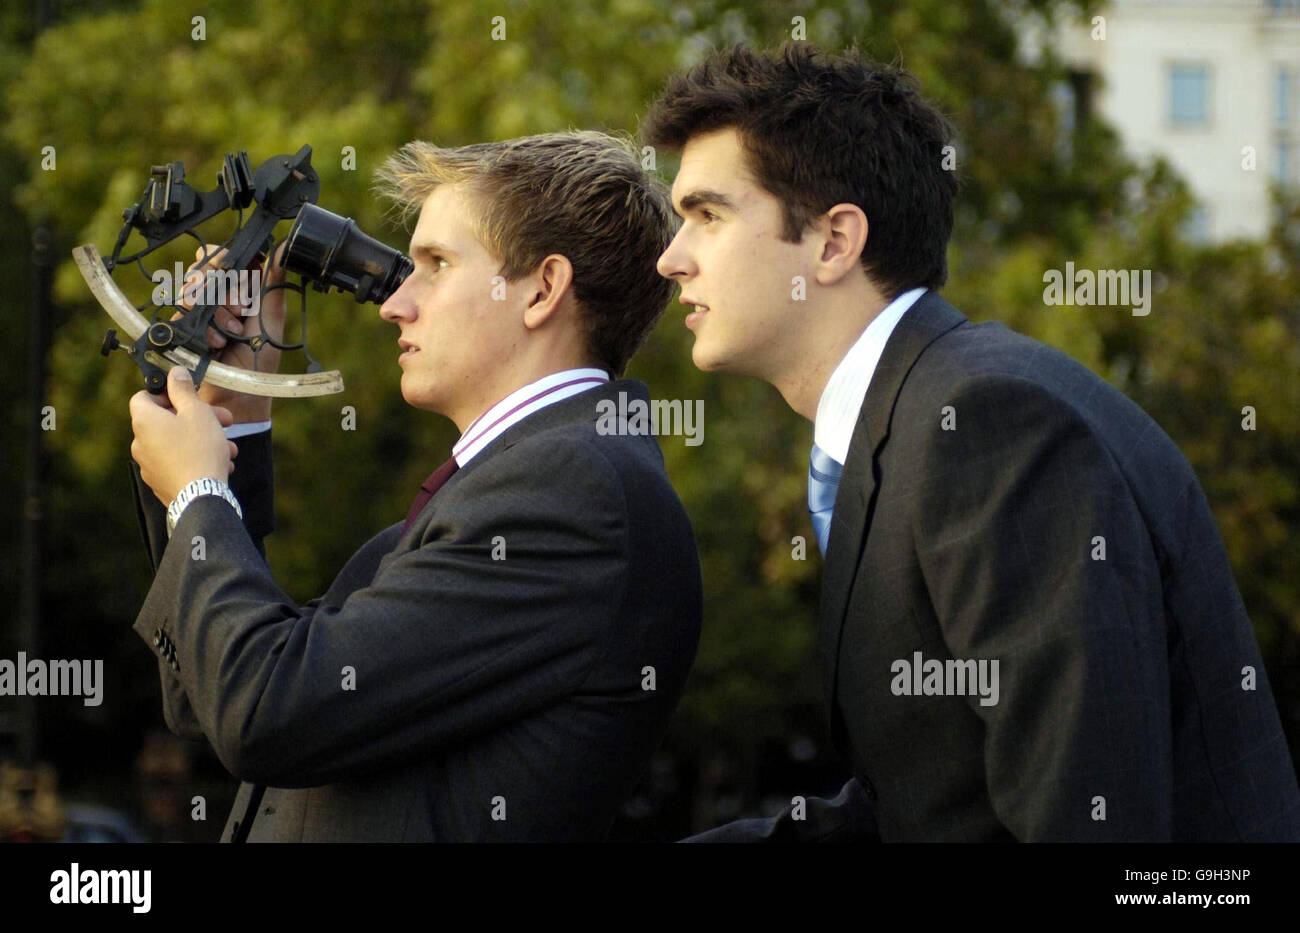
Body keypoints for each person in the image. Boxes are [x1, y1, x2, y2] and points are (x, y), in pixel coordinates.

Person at [643, 43, 1300, 841]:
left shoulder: (990, 425)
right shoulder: (913, 420)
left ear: (832, 242)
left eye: (706, 215)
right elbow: (932, 801)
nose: (670, 259)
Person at [125, 130, 702, 841]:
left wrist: (198, 495)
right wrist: (233, 417)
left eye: (435, 264)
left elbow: (269, 710)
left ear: (543, 289)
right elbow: (210, 696)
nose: (396, 303)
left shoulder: (573, 493)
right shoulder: (498, 502)